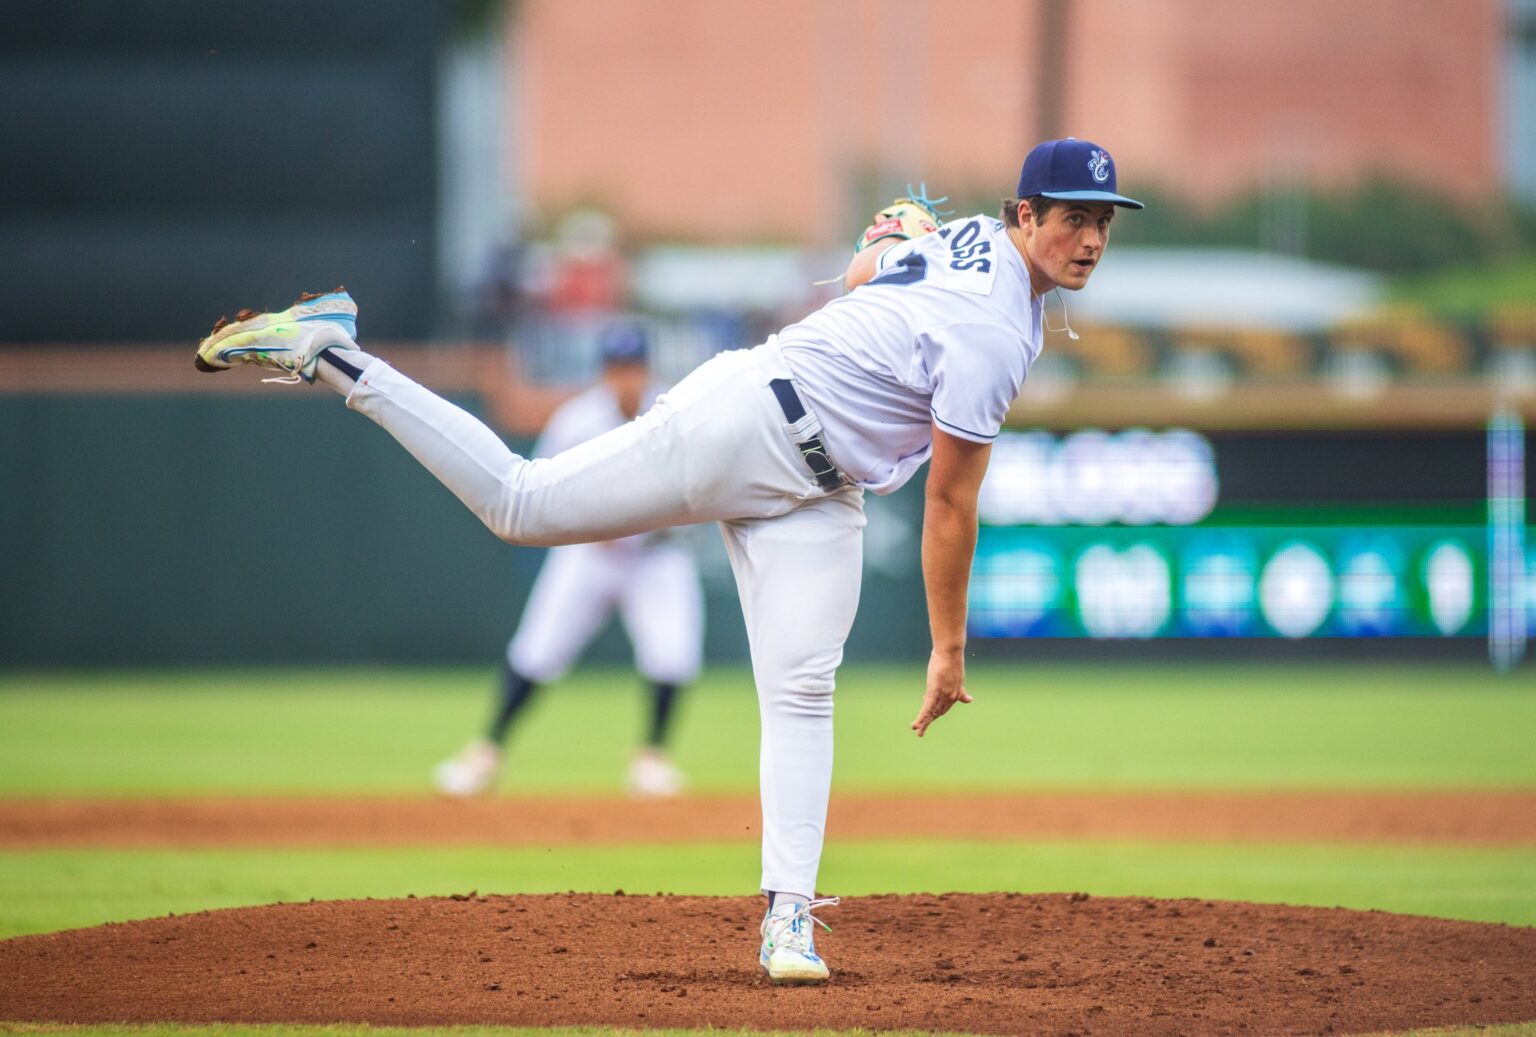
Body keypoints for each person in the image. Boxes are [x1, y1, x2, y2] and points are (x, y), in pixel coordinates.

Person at [193, 137, 1141, 985]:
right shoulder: (993, 327)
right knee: (521, 503)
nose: (1090, 238)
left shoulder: (973, 237)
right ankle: (331, 347)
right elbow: (949, 502)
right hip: (753, 418)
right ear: (1026, 215)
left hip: (822, 491)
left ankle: (790, 922)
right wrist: (949, 646)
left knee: (804, 692)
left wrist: (892, 243)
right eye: (1072, 218)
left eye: (1102, 221)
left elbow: (864, 271)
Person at [433, 323, 703, 799]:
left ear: (646, 369)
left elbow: (698, 490)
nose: (626, 378)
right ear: (604, 371)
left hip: (654, 555)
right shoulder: (577, 420)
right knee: (537, 650)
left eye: (633, 367)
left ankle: (651, 759)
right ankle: (486, 753)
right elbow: (539, 491)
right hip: (589, 553)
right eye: (618, 368)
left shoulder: (674, 414)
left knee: (674, 653)